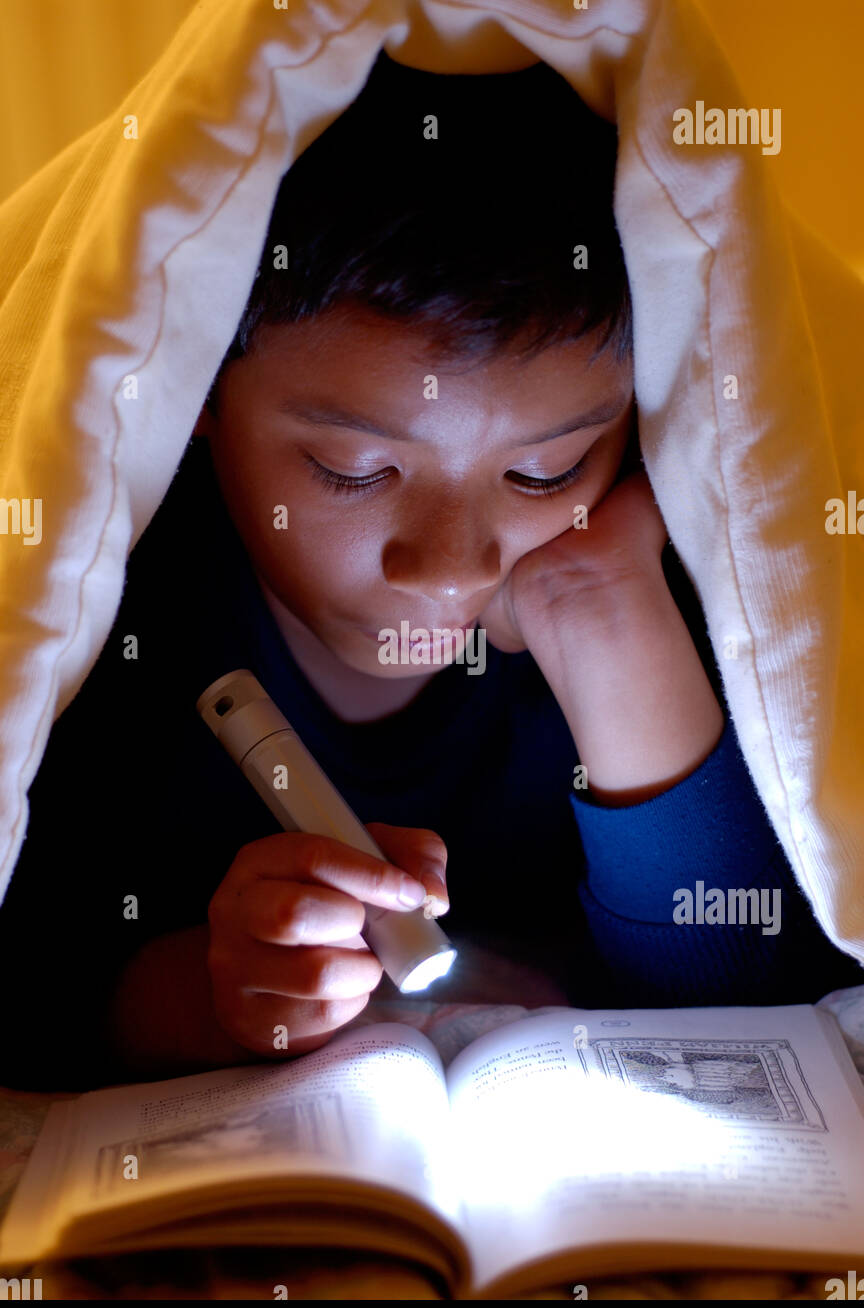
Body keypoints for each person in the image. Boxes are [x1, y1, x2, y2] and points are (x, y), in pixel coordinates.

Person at [1, 53, 860, 1091]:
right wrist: (205, 992)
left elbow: (767, 1013)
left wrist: (601, 611)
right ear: (195, 401)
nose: (451, 565)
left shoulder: (709, 593)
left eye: (545, 469)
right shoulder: (96, 605)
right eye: (353, 470)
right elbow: (27, 986)